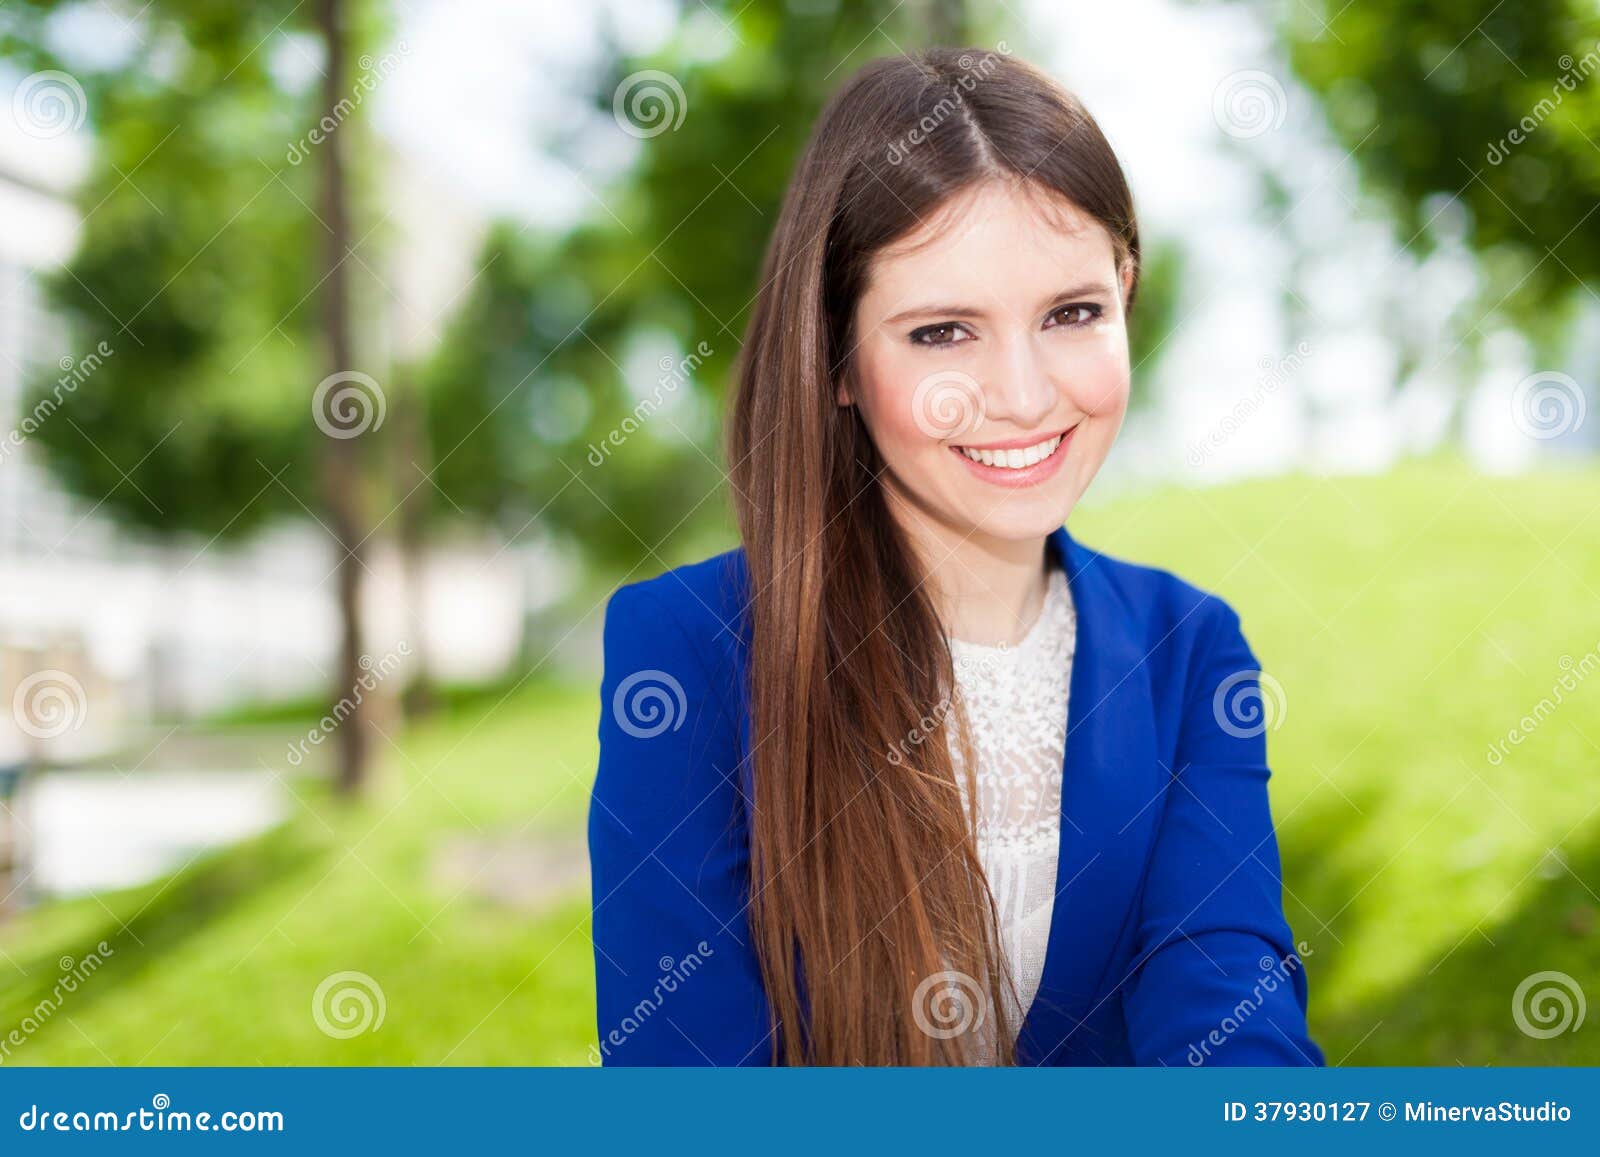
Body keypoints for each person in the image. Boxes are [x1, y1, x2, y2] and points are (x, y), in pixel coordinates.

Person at [587, 46, 1324, 1067]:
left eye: (1071, 313)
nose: (1022, 394)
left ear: (1124, 294)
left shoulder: (1189, 648)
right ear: (837, 359)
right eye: (942, 332)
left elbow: (1226, 1008)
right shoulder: (686, 650)